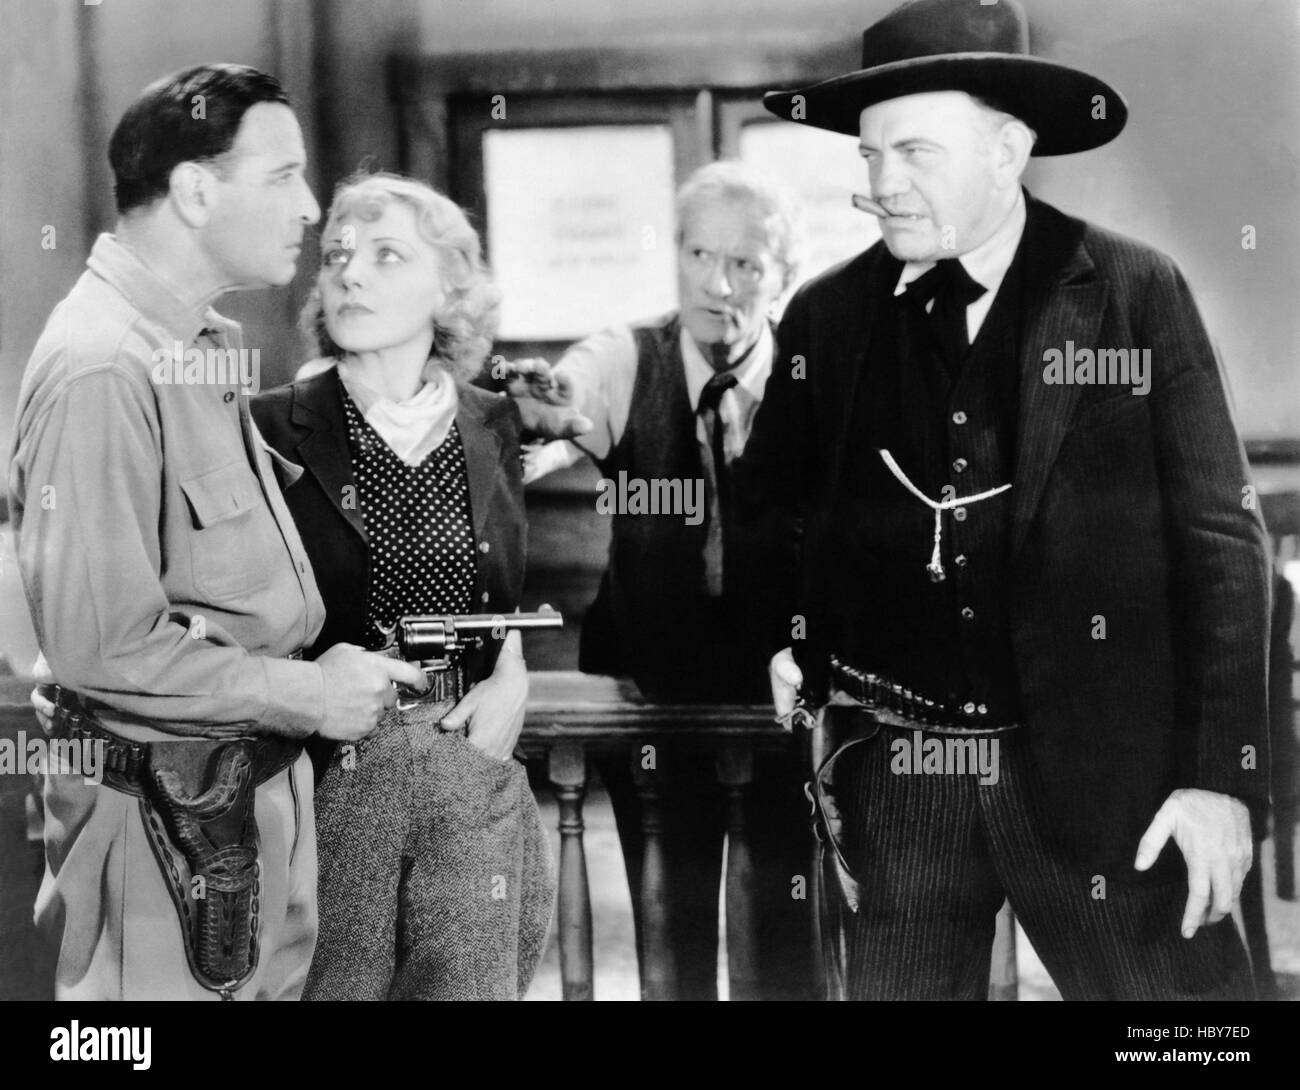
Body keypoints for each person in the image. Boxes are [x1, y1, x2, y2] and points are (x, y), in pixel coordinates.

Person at [736, 0, 1271, 1001]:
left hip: (1113, 783)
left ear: (1008, 149)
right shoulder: (826, 316)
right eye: (868, 156)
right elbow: (767, 508)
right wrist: (783, 635)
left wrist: (1218, 781)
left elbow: (1221, 544)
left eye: (915, 153)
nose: (879, 187)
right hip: (902, 775)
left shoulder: (1128, 290)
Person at [9, 65, 426, 1001]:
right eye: (282, 177)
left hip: (236, 804)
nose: (312, 207)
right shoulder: (103, 369)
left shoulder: (191, 346)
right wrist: (310, 696)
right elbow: (104, 649)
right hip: (162, 820)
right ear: (196, 189)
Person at [514, 161, 817, 1000]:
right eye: (697, 255)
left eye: (746, 264)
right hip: (652, 689)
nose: (716, 285)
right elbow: (577, 390)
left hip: (780, 698)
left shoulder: (811, 375)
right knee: (668, 924)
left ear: (782, 278)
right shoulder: (629, 356)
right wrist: (554, 403)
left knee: (790, 929)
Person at [251, 173, 555, 1001]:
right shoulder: (271, 423)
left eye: (388, 256)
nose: (351, 273)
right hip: (331, 784)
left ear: (448, 286)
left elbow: (500, 586)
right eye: (339, 254)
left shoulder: (491, 420)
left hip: (470, 767)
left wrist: (512, 677)